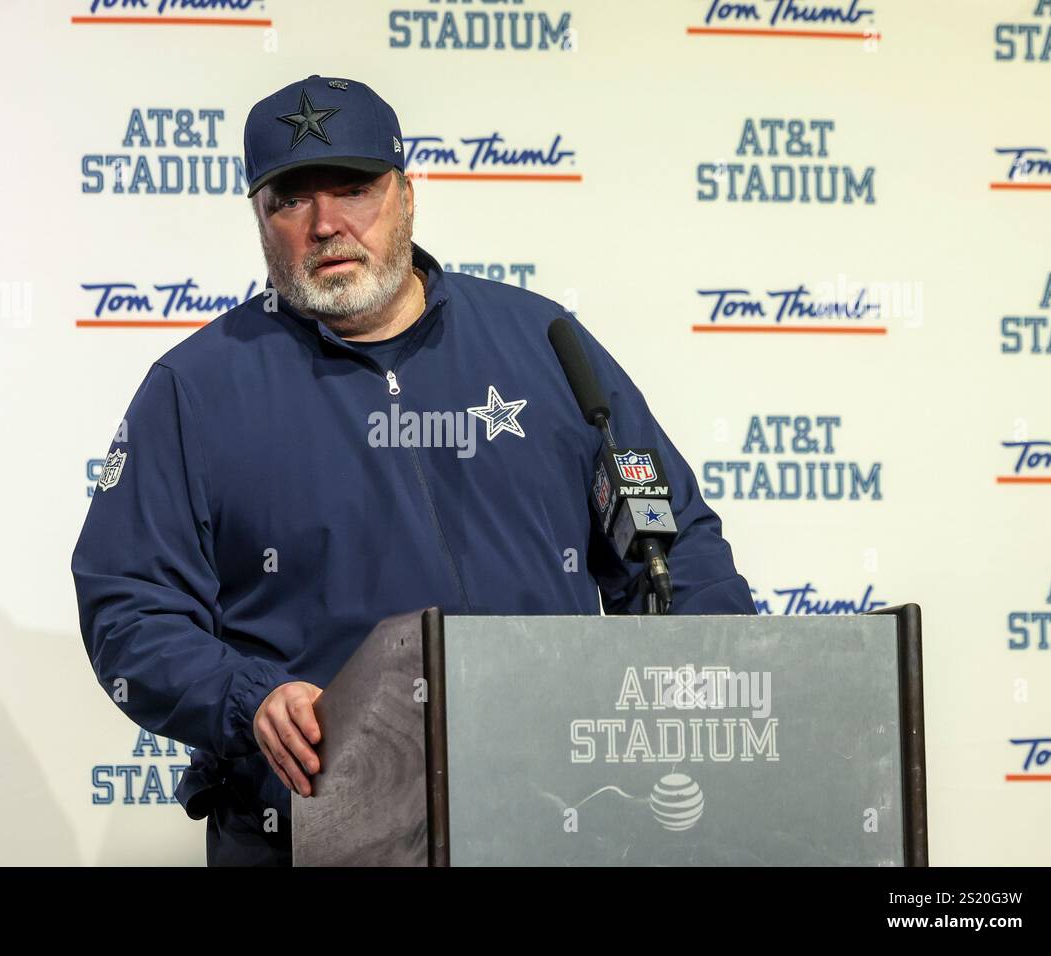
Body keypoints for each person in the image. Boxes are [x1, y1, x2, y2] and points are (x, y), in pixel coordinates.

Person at [71, 74, 755, 866]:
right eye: (291, 200)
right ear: (260, 219)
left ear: (406, 193)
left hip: (557, 815)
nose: (327, 224)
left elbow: (673, 553)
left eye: (355, 188)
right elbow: (129, 610)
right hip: (312, 830)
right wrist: (249, 698)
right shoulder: (195, 390)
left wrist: (723, 690)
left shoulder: (543, 344)